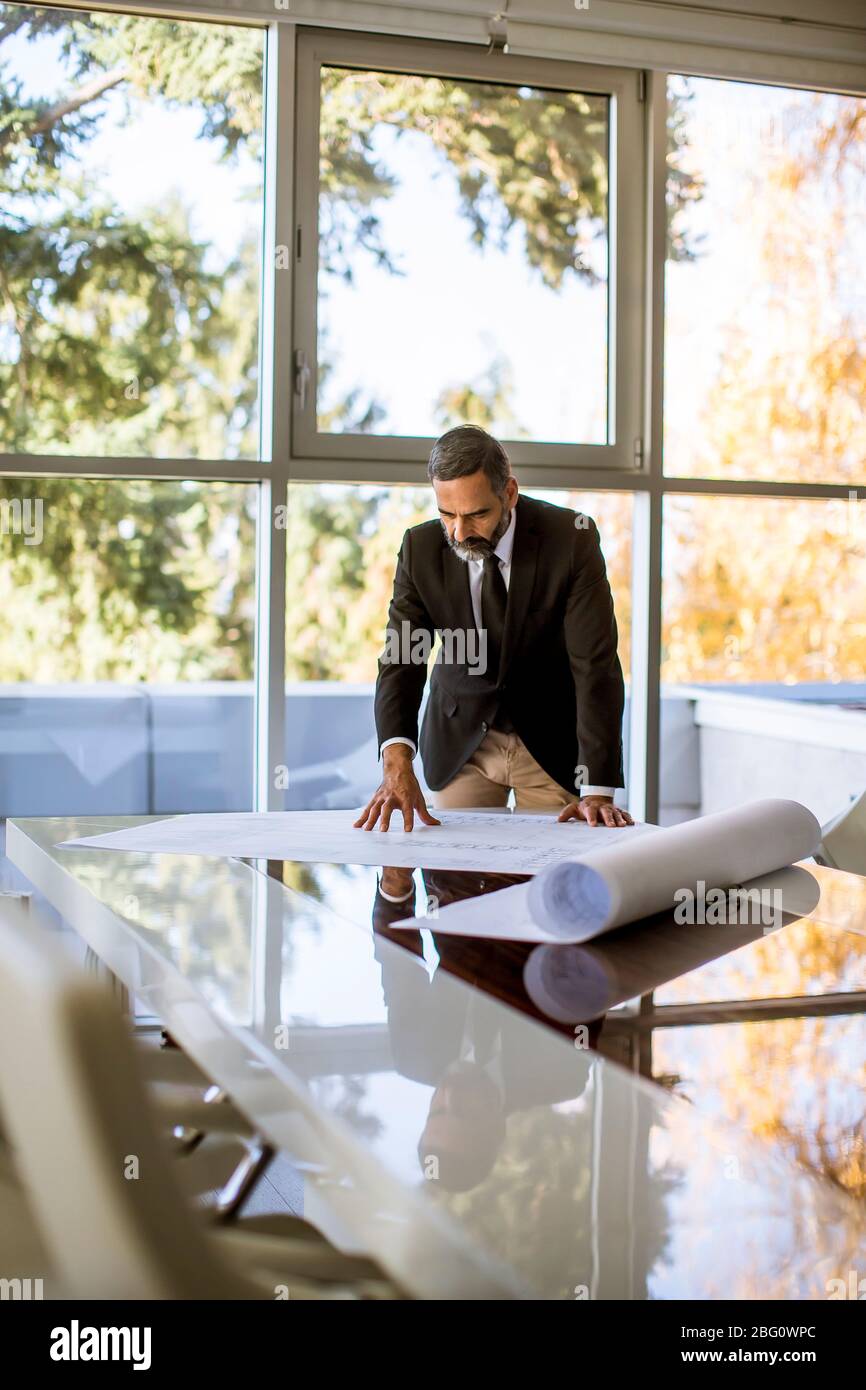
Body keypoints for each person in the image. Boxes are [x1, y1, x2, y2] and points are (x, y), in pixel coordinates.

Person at [355, 423, 633, 832]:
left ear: (509, 494)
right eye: (446, 514)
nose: (459, 532)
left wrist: (597, 789)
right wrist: (396, 761)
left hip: (551, 745)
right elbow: (403, 659)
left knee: (547, 878)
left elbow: (595, 665)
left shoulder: (570, 540)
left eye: (477, 514)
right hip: (460, 742)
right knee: (455, 880)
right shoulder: (421, 549)